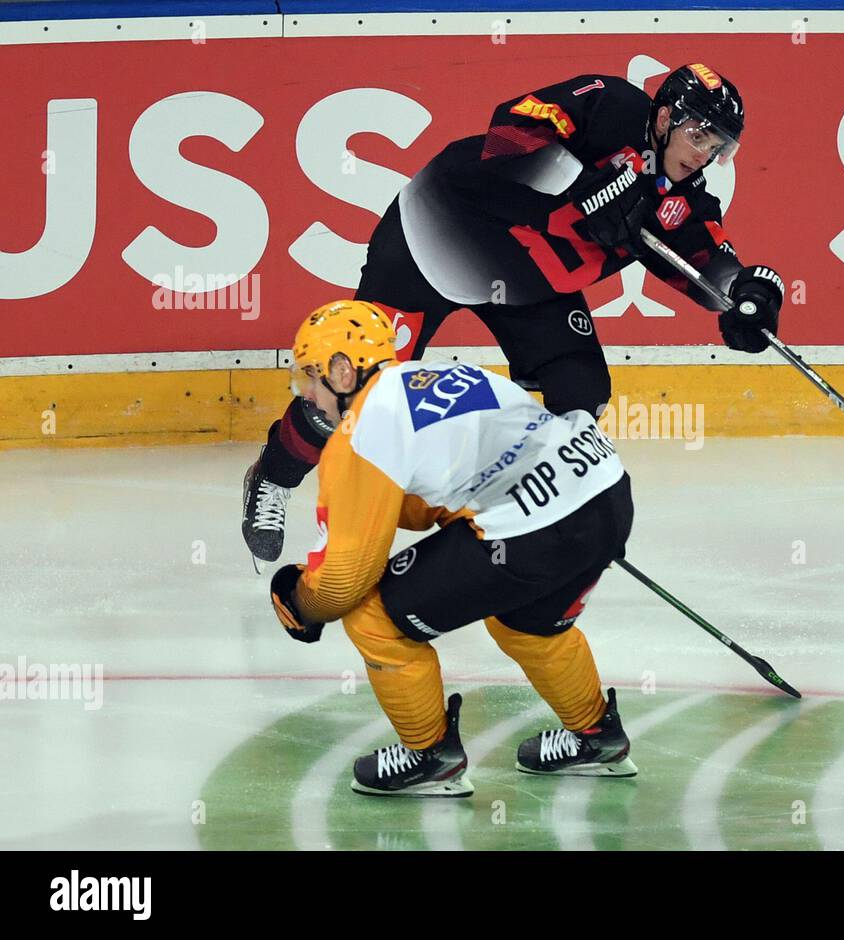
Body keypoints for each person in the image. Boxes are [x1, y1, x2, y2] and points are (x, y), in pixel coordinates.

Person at [243, 63, 784, 562]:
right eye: (697, 135)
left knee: (580, 395)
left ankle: (530, 519)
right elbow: (510, 129)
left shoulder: (683, 203)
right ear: (664, 118)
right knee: (350, 384)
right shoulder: (610, 103)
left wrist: (748, 297)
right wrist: (583, 189)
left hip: (530, 286)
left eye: (715, 145)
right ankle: (274, 476)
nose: (702, 153)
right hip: (436, 235)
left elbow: (714, 272)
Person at [269, 299, 637, 796]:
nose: (308, 395)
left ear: (341, 369)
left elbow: (345, 579)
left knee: (374, 617)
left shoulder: (362, 431)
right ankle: (597, 737)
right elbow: (440, 497)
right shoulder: (429, 376)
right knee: (526, 623)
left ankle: (430, 756)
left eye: (311, 376)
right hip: (605, 494)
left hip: (538, 531)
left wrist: (301, 601)